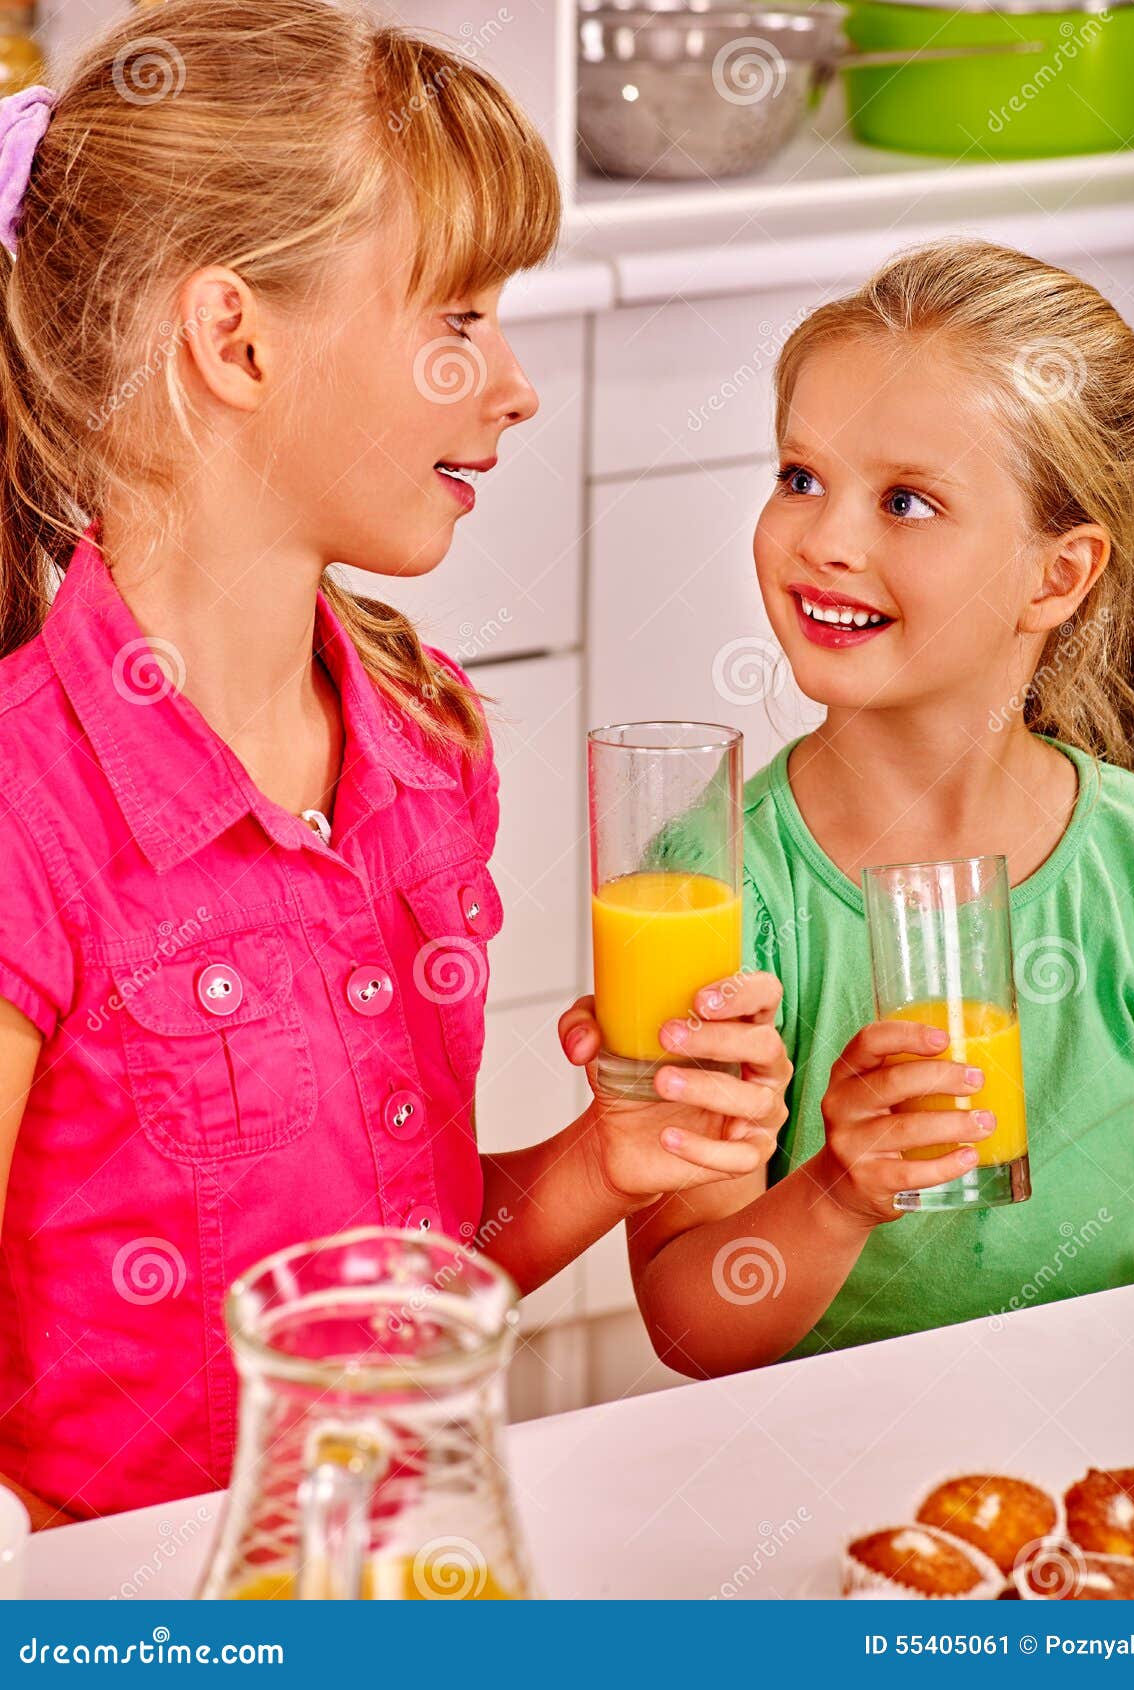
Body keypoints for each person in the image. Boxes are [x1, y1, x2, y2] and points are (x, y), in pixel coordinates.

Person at [0, 0, 790, 1525]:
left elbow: (402, 1274)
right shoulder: (29, 809)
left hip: (410, 1556)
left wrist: (611, 1157)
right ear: (235, 339)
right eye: (458, 320)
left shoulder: (424, 741)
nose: (516, 383)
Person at [573, 240, 1134, 1377]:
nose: (826, 540)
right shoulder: (712, 888)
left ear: (1056, 577)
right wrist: (835, 1196)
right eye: (800, 477)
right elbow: (688, 1323)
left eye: (905, 500)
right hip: (837, 1466)